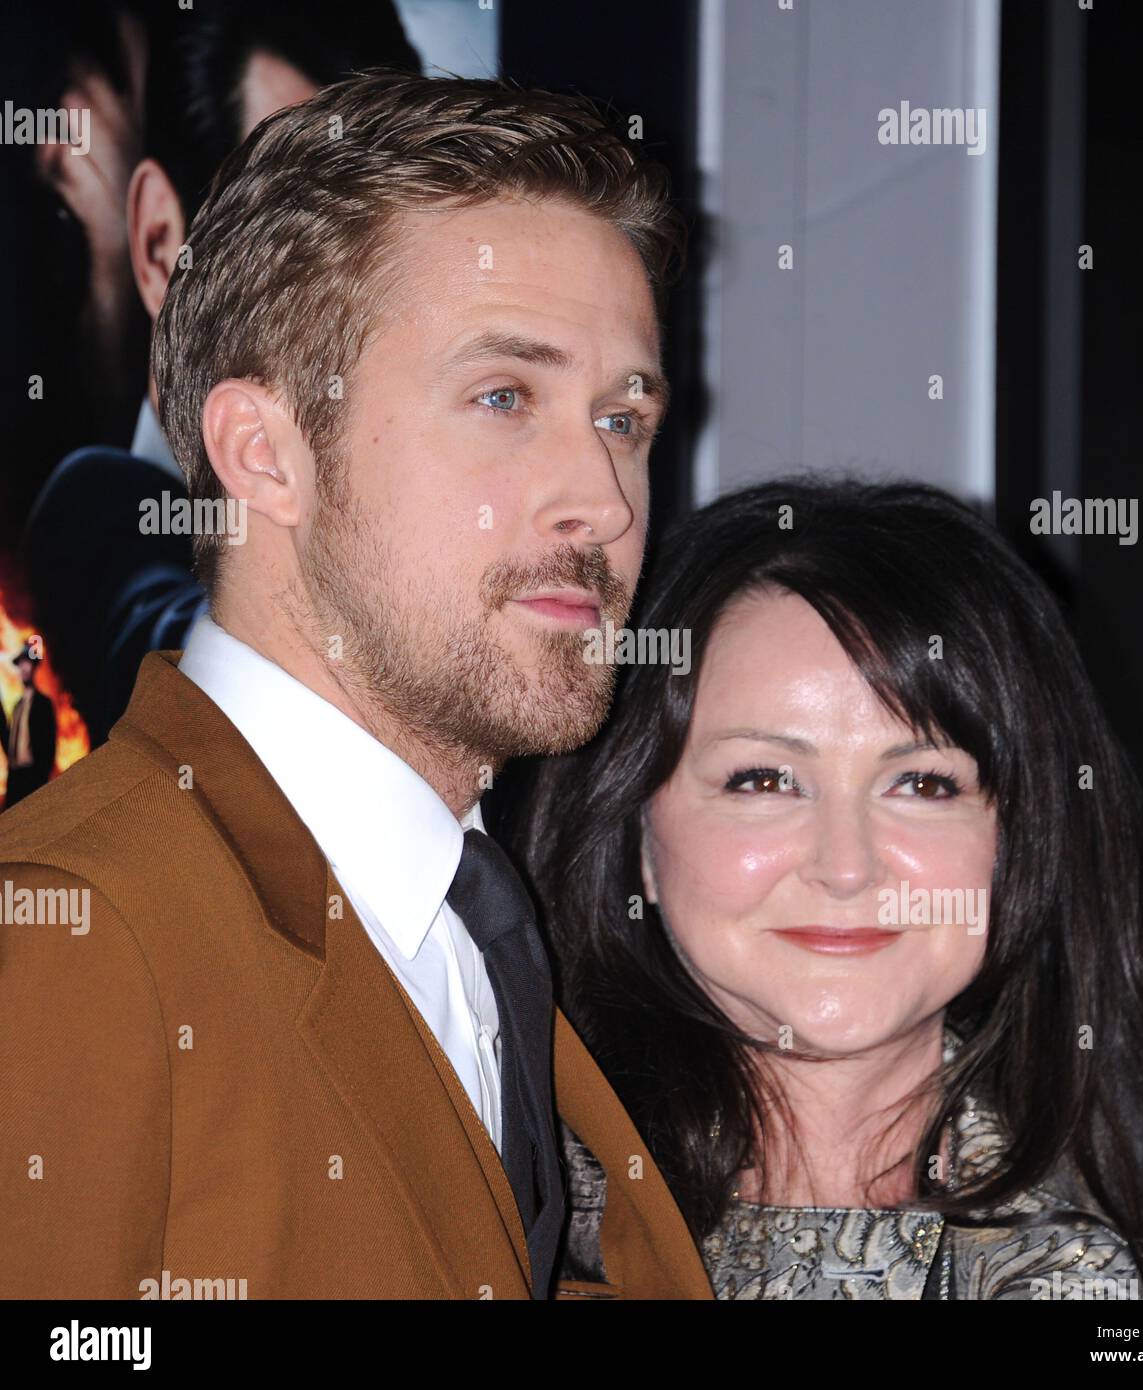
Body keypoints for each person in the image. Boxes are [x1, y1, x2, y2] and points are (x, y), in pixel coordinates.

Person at [0, 73, 710, 1301]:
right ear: (263, 453)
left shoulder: (485, 922)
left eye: (623, 417)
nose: (605, 497)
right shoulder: (75, 934)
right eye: (504, 397)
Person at [509, 477, 1143, 1300]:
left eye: (921, 784)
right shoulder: (495, 1224)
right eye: (763, 780)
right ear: (634, 837)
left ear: (1019, 838)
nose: (846, 866)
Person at [24, 0, 423, 748]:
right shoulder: (98, 513)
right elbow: (215, 695)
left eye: (378, 246)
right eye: (287, 245)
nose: (342, 306)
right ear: (159, 244)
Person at [1, 639, 57, 808]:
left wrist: (41, 778)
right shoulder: (18, 707)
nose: (24, 668)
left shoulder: (43, 704)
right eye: (21, 664)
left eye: (27, 663)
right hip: (15, 777)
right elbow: (10, 744)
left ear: (34, 667)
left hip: (33, 777)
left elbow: (49, 745)